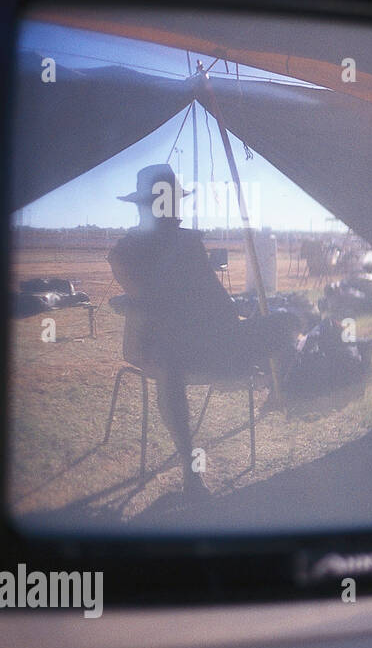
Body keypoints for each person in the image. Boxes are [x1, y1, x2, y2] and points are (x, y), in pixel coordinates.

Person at [107, 164, 298, 502]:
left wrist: (229, 316)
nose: (174, 210)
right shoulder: (129, 249)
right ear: (148, 206)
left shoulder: (188, 242)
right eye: (165, 203)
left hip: (211, 339)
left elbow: (212, 295)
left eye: (174, 202)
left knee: (285, 322)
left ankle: (278, 392)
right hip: (164, 345)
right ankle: (191, 471)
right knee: (170, 361)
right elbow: (147, 300)